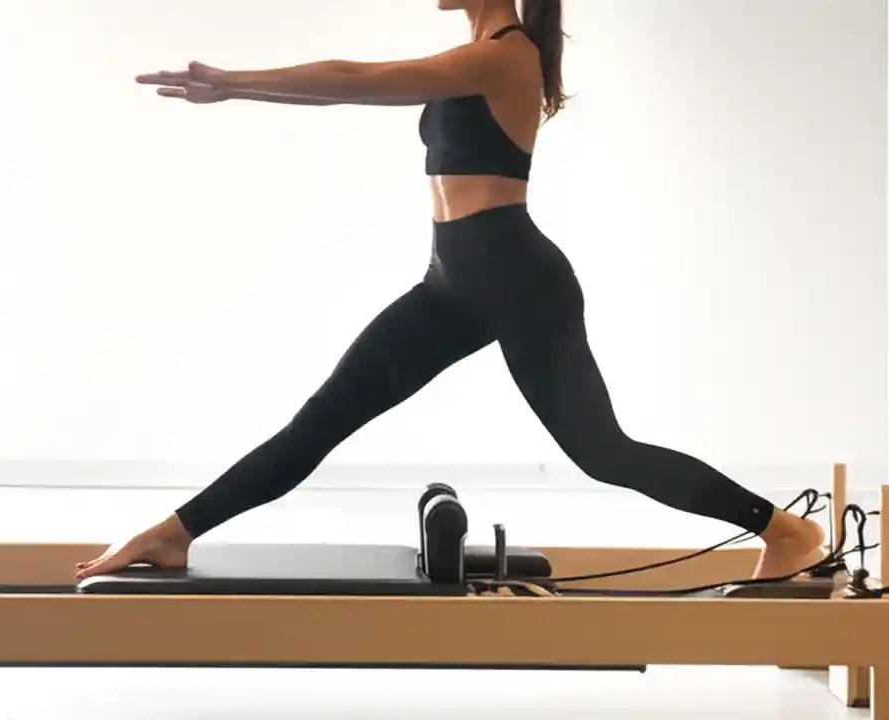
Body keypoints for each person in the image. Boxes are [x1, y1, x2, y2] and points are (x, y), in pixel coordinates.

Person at [76, 0, 826, 582]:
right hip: (453, 282)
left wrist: (235, 81)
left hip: (518, 278)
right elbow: (342, 94)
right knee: (324, 417)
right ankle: (177, 531)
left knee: (603, 452)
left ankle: (784, 531)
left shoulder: (506, 56)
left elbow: (361, 80)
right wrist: (238, 94)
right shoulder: (482, 56)